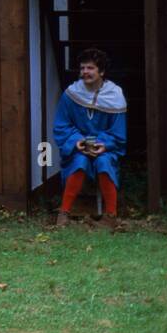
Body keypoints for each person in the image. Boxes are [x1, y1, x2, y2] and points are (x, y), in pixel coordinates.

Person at [53, 48, 127, 230]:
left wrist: (104, 145)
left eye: (90, 68)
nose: (85, 72)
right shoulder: (71, 94)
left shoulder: (115, 95)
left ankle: (111, 217)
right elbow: (61, 125)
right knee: (79, 161)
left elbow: (118, 132)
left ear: (101, 72)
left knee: (104, 162)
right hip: (78, 145)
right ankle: (63, 214)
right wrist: (77, 141)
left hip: (105, 147)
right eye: (82, 68)